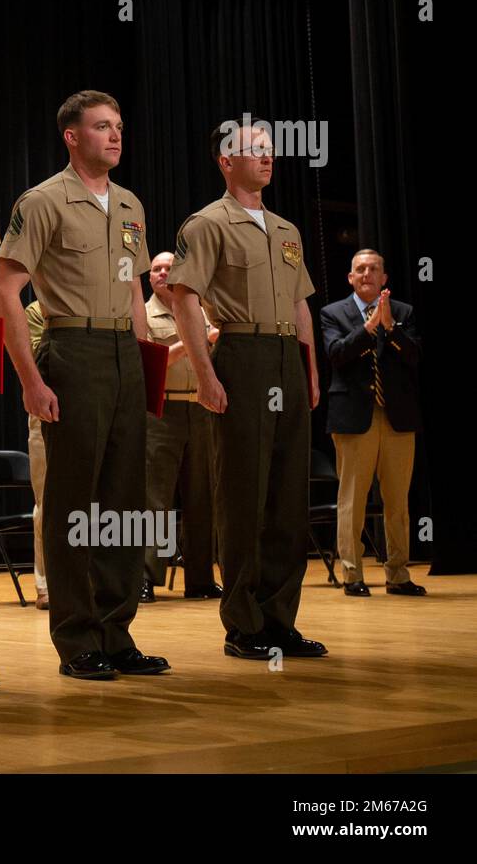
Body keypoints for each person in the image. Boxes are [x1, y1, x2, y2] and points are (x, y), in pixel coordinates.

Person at [0, 90, 169, 681]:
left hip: (124, 352)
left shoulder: (129, 205)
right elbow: (5, 290)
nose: (115, 136)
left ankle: (117, 633)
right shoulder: (42, 201)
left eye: (118, 126)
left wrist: (149, 369)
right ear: (72, 136)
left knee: (125, 502)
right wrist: (30, 378)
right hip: (72, 350)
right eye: (101, 127)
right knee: (74, 504)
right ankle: (77, 639)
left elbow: (132, 295)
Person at [168, 120, 326, 660]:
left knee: (287, 497)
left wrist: (310, 369)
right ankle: (243, 623)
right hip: (240, 354)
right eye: (252, 150)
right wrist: (207, 372)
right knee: (242, 493)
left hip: (285, 355)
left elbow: (302, 304)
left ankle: (280, 619)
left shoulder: (286, 230)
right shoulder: (207, 224)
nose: (266, 158)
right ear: (224, 161)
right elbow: (184, 298)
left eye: (269, 150)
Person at [321, 249, 425, 596]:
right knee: (353, 499)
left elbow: (413, 357)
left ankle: (398, 574)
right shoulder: (332, 313)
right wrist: (368, 329)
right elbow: (336, 356)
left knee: (398, 501)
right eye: (360, 269)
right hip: (353, 418)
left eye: (374, 269)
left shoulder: (403, 313)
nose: (366, 273)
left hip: (397, 417)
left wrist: (390, 328)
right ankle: (353, 575)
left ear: (384, 279)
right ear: (350, 277)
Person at [142, 251, 221, 602]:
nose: (161, 273)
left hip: (200, 408)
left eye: (168, 268)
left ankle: (200, 579)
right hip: (162, 411)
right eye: (156, 269)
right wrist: (195, 342)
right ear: (149, 278)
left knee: (202, 497)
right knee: (154, 499)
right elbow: (151, 361)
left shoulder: (201, 311)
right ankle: (146, 577)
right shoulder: (142, 315)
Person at [25, 300, 49, 610]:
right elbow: (38, 357)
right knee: (47, 501)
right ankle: (45, 584)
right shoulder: (34, 311)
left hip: (90, 408)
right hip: (44, 413)